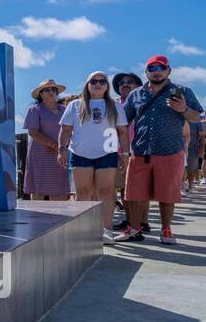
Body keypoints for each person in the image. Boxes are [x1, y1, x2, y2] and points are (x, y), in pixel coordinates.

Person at [113, 55, 203, 246]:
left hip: (170, 150)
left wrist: (184, 109)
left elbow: (196, 118)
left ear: (168, 70)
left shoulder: (182, 91)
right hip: (140, 150)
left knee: (167, 194)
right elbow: (123, 122)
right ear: (146, 72)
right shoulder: (135, 94)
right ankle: (134, 230)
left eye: (160, 67)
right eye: (151, 68)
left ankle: (166, 230)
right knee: (134, 194)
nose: (156, 71)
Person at [56, 71, 128, 237]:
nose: (98, 84)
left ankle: (106, 229)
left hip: (107, 153)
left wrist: (125, 154)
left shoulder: (115, 106)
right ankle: (84, 230)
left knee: (107, 192)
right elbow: (65, 129)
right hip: (80, 153)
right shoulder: (75, 105)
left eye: (102, 81)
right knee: (83, 192)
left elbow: (123, 131)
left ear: (107, 86)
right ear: (87, 84)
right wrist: (62, 149)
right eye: (94, 81)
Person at [23, 79, 71, 200]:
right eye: (47, 89)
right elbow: (33, 132)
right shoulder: (34, 109)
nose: (51, 91)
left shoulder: (64, 110)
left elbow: (71, 131)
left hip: (60, 154)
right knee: (38, 192)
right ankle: (36, 219)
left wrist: (61, 148)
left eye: (53, 89)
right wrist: (54, 145)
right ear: (40, 94)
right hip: (40, 154)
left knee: (60, 191)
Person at [111, 72, 145, 230]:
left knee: (139, 190)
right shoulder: (113, 105)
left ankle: (142, 223)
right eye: (121, 83)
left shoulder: (145, 103)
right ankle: (130, 221)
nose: (124, 84)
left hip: (140, 152)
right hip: (117, 153)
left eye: (130, 81)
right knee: (123, 190)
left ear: (138, 86)